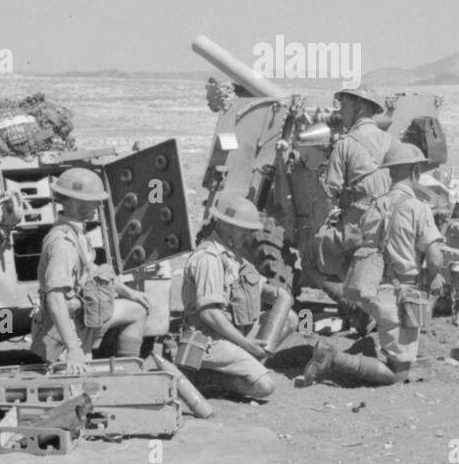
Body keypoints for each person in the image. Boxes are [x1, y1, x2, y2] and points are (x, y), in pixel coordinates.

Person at [303, 142, 446, 387]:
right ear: (414, 172)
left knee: (392, 340)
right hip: (399, 295)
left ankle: (377, 353)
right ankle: (333, 357)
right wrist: (435, 276)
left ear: (390, 172)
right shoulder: (417, 208)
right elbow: (434, 256)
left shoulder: (375, 206)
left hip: (370, 288)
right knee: (399, 374)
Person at [32, 168, 150, 372]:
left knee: (137, 309)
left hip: (85, 315)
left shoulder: (77, 234)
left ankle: (128, 370)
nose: (98, 205)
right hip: (64, 328)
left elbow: (92, 272)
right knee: (78, 391)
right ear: (79, 204)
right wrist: (73, 349)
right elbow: (55, 299)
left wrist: (128, 292)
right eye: (94, 200)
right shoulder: (63, 243)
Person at [176, 192, 277, 403]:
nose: (248, 236)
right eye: (244, 230)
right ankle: (203, 377)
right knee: (265, 386)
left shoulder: (232, 254)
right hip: (208, 339)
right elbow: (210, 314)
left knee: (291, 318)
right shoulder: (209, 259)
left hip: (231, 330)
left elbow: (253, 288)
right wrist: (246, 344)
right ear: (224, 225)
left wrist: (278, 293)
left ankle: (246, 365)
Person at [320, 84, 392, 277]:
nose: (340, 110)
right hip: (389, 220)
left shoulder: (345, 144)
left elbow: (330, 191)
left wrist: (328, 220)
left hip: (359, 223)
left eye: (344, 104)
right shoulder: (391, 141)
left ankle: (348, 297)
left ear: (359, 106)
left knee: (314, 252)